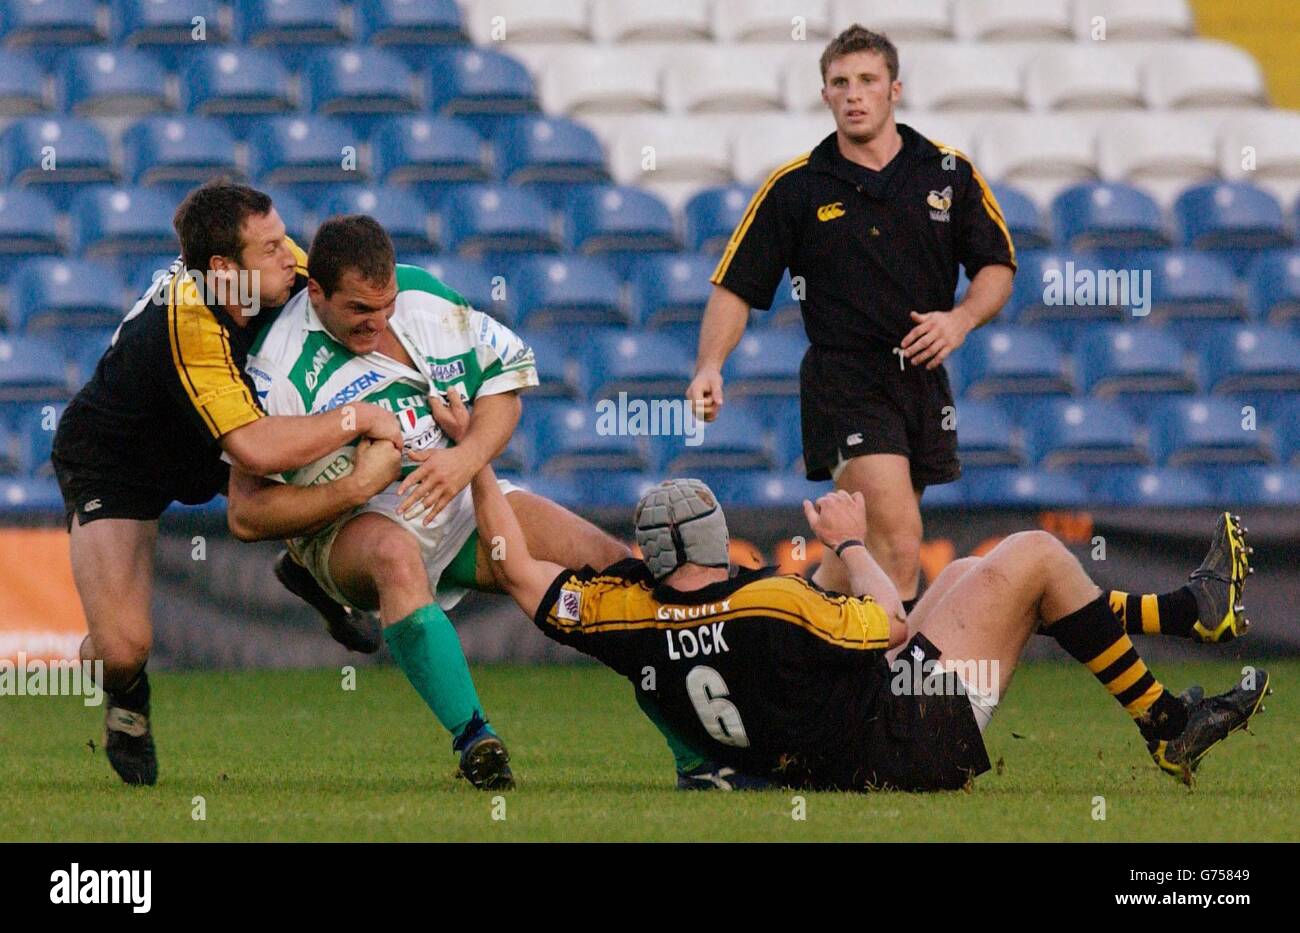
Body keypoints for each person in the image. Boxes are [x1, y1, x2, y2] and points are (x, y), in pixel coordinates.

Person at [461, 440, 1266, 790]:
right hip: (907, 737)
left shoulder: (623, 615)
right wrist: (849, 542)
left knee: (979, 573)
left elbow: (517, 566)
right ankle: (1167, 724)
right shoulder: (770, 597)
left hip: (823, 751)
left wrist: (477, 465)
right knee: (1036, 555)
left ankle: (1185, 613)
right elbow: (893, 625)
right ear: (715, 537)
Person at [225, 215, 631, 789]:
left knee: (610, 564)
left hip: (456, 494)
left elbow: (505, 386)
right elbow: (245, 514)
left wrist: (465, 459)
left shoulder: (424, 297)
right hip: (349, 524)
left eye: (386, 304)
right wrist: (356, 487)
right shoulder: (276, 367)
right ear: (315, 292)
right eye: (359, 310)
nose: (377, 321)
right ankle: (475, 739)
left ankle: (699, 742)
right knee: (395, 555)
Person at [51, 181, 404, 786]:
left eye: (282, 239)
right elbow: (253, 448)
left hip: (208, 434)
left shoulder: (273, 270)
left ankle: (305, 563)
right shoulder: (190, 318)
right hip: (118, 459)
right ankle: (126, 697)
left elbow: (355, 296)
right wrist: (359, 417)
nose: (289, 256)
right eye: (270, 248)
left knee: (309, 466)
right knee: (122, 650)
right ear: (223, 269)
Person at [686, 24, 1016, 614]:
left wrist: (960, 320)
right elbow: (735, 286)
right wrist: (710, 364)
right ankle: (897, 672)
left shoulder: (948, 172)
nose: (853, 93)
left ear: (895, 89)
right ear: (825, 95)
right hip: (845, 383)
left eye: (867, 80)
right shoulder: (796, 187)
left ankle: (780, 633)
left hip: (922, 379)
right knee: (898, 545)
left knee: (849, 559)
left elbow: (997, 267)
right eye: (840, 83)